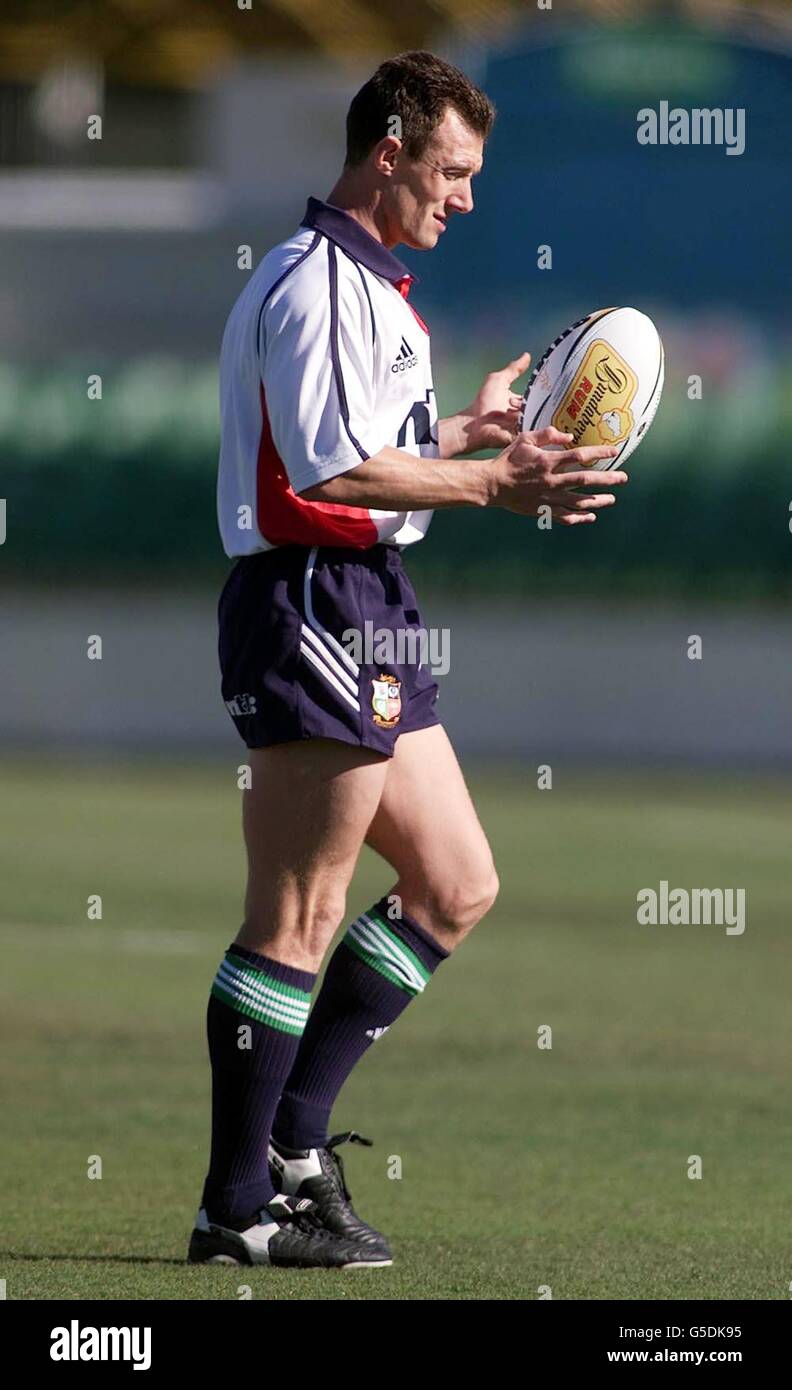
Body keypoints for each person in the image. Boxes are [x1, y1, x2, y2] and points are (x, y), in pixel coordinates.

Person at [188, 50, 625, 1270]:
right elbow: (322, 478)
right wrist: (495, 478)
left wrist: (456, 435)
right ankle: (236, 1207)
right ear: (391, 148)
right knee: (298, 910)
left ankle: (296, 1150)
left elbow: (366, 448)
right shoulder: (321, 279)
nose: (467, 197)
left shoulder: (372, 285)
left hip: (369, 593)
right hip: (312, 595)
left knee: (453, 884)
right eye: (454, 169)